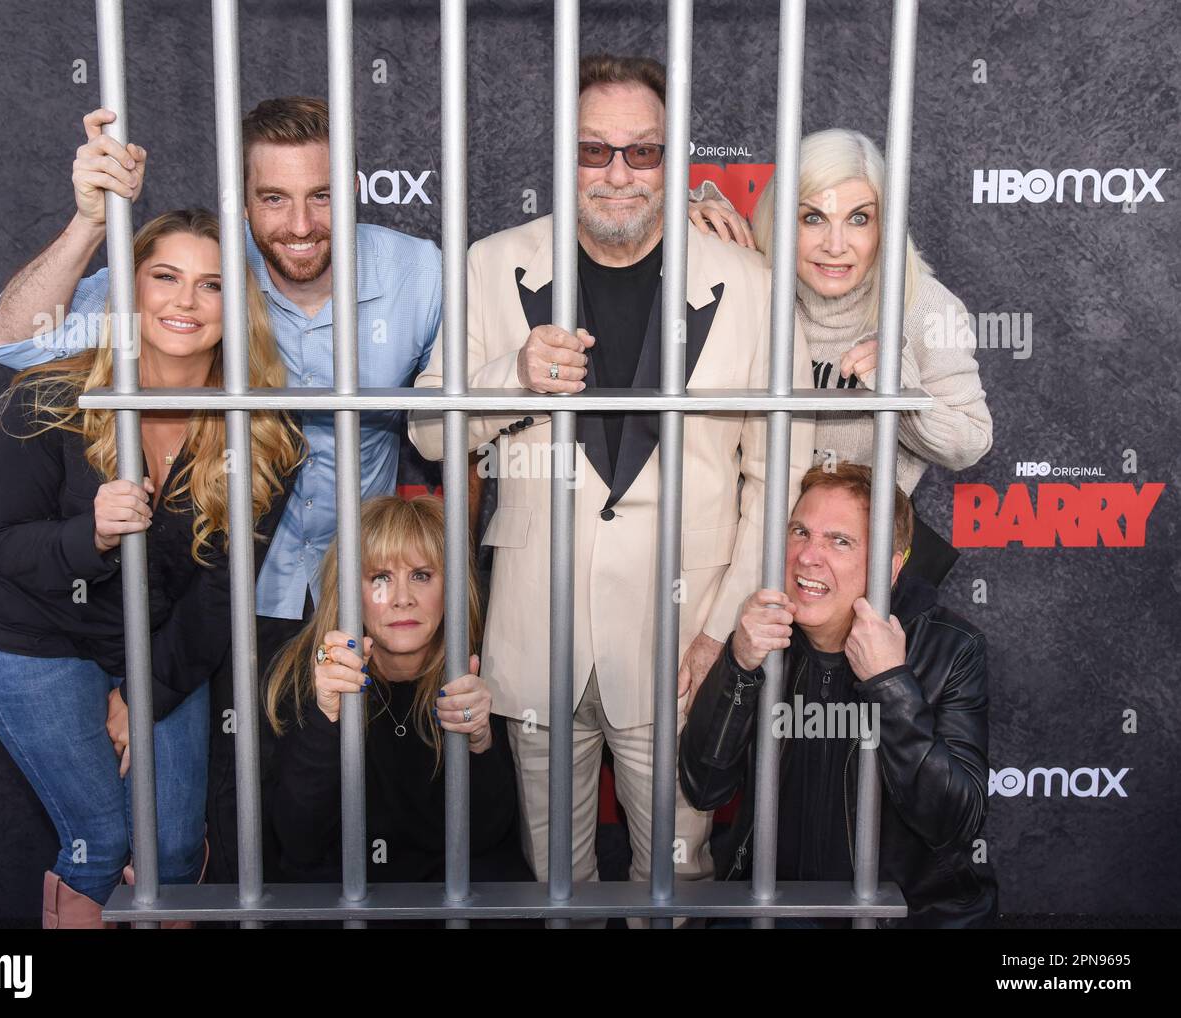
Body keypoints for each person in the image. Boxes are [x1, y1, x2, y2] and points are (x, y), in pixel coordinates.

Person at [0, 98, 443, 881]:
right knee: (225, 830)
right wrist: (90, 222)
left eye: (321, 195)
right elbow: (13, 341)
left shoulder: (416, 271)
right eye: (273, 198)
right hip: (209, 605)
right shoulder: (201, 275)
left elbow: (470, 398)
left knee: (349, 824)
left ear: (354, 190)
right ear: (245, 199)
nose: (298, 222)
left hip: (347, 589)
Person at [409, 53, 816, 916]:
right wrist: (511, 374)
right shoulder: (491, 265)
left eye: (643, 151)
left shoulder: (749, 285)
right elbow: (426, 432)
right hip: (537, 622)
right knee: (555, 873)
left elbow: (777, 473)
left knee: (676, 870)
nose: (619, 173)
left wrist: (721, 623)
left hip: (680, 634)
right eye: (595, 151)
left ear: (675, 158)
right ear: (564, 157)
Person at [0, 209, 304, 927]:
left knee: (173, 852)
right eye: (165, 278)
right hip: (37, 628)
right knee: (99, 841)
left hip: (154, 633)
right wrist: (90, 537)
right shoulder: (53, 395)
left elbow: (219, 596)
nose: (185, 301)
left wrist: (139, 695)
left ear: (236, 308)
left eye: (211, 285)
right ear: (128, 291)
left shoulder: (268, 431)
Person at [678, 462, 998, 928]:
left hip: (904, 913)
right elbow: (703, 787)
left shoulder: (950, 648)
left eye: (839, 541)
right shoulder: (764, 638)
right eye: (800, 532)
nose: (808, 556)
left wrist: (890, 682)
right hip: (775, 906)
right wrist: (739, 665)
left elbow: (954, 821)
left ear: (890, 567)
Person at [689, 128, 993, 584]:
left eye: (858, 219)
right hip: (746, 553)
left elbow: (969, 442)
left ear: (884, 225)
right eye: (813, 218)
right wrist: (683, 219)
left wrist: (900, 390)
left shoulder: (923, 306)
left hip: (858, 565)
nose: (836, 244)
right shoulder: (756, 286)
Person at [265, 495, 531, 903]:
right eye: (380, 577)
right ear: (348, 588)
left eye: (422, 575)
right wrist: (325, 720)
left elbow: (488, 840)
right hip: (347, 904)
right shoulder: (309, 674)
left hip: (451, 902)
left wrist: (480, 741)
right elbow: (299, 843)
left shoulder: (477, 669)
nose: (402, 597)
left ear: (452, 587)